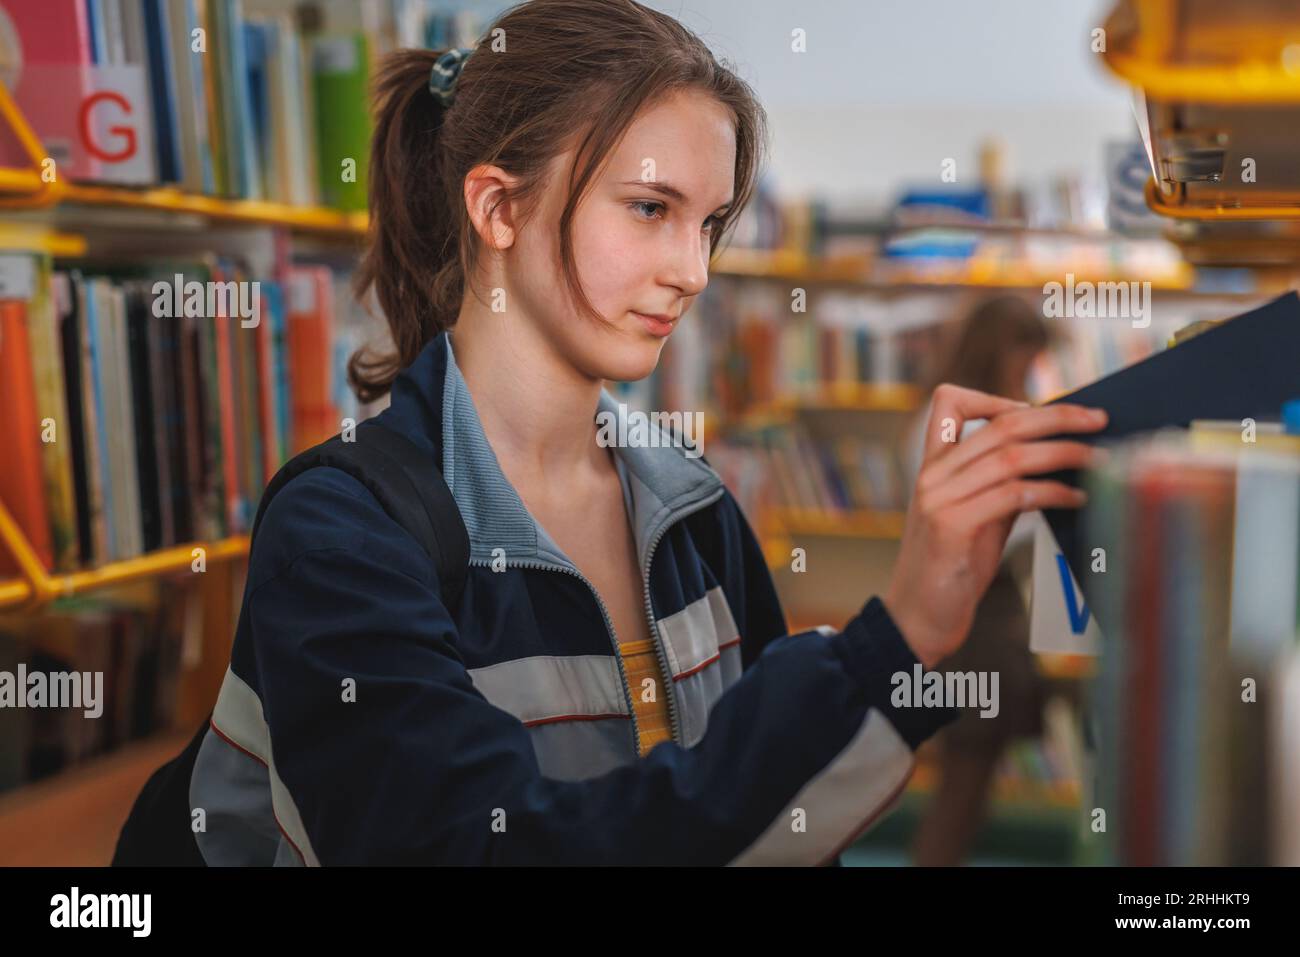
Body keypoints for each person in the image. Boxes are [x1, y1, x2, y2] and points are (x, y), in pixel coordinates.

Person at [187, 0, 1107, 865]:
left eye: (708, 223)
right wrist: (891, 640)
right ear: (498, 208)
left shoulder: (694, 504)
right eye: (650, 209)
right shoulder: (339, 532)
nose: (695, 270)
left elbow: (764, 821)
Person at [903, 296, 1055, 865]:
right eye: (1025, 358)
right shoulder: (961, 425)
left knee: (970, 787)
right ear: (1003, 352)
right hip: (974, 619)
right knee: (962, 788)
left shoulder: (946, 414)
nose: (1029, 373)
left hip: (981, 617)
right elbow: (970, 528)